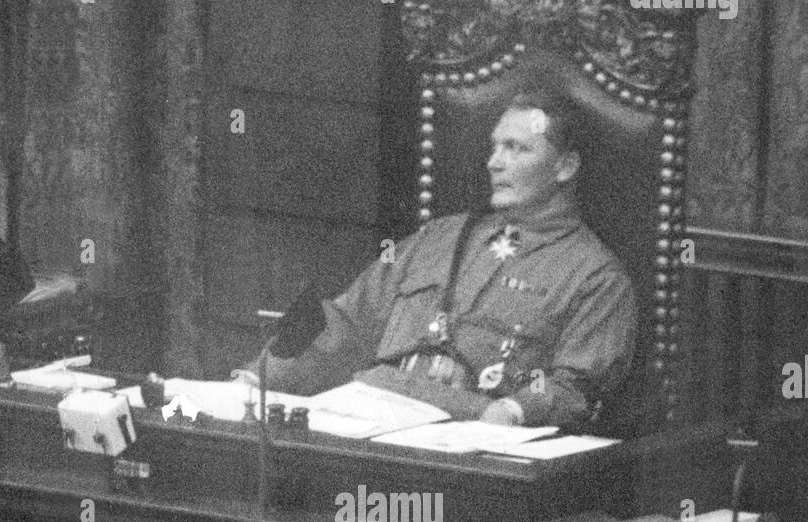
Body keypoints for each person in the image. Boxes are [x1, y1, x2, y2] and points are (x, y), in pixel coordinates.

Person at [241, 91, 637, 430]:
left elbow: (577, 388)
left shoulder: (595, 278)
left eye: (517, 149)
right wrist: (257, 377)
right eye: (495, 146)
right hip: (368, 418)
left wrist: (514, 410)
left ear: (565, 166)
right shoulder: (438, 238)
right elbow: (346, 322)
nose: (494, 162)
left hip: (468, 442)